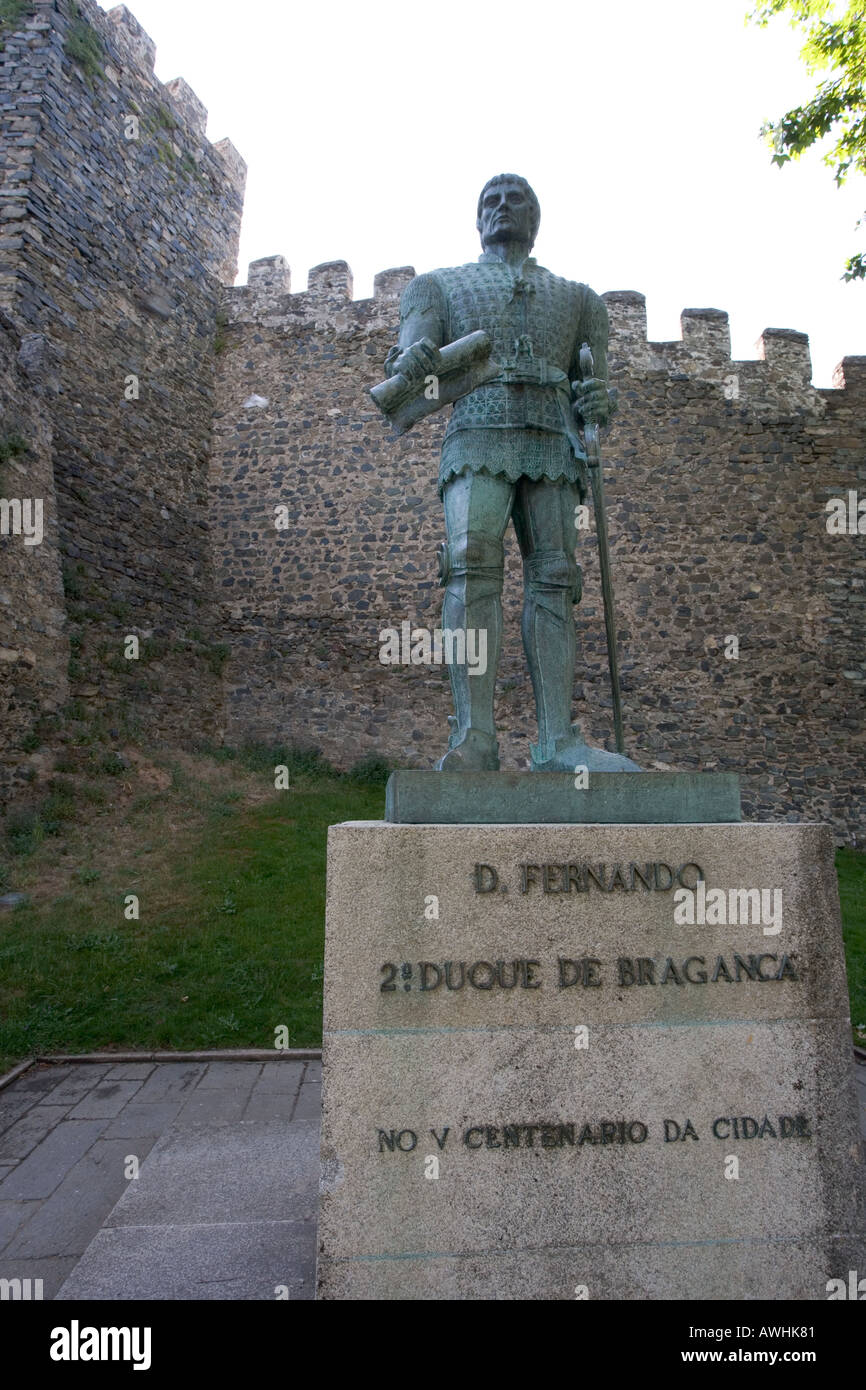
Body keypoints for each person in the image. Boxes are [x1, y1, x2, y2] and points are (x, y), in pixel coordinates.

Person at [384, 173, 638, 772]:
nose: (502, 207)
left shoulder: (581, 300)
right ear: (478, 220)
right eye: (490, 201)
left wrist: (599, 404)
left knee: (555, 574)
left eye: (515, 199)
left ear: (534, 217)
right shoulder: (437, 286)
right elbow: (409, 358)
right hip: (477, 427)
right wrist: (414, 357)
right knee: (469, 561)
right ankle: (473, 737)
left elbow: (595, 388)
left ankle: (558, 742)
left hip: (552, 435)